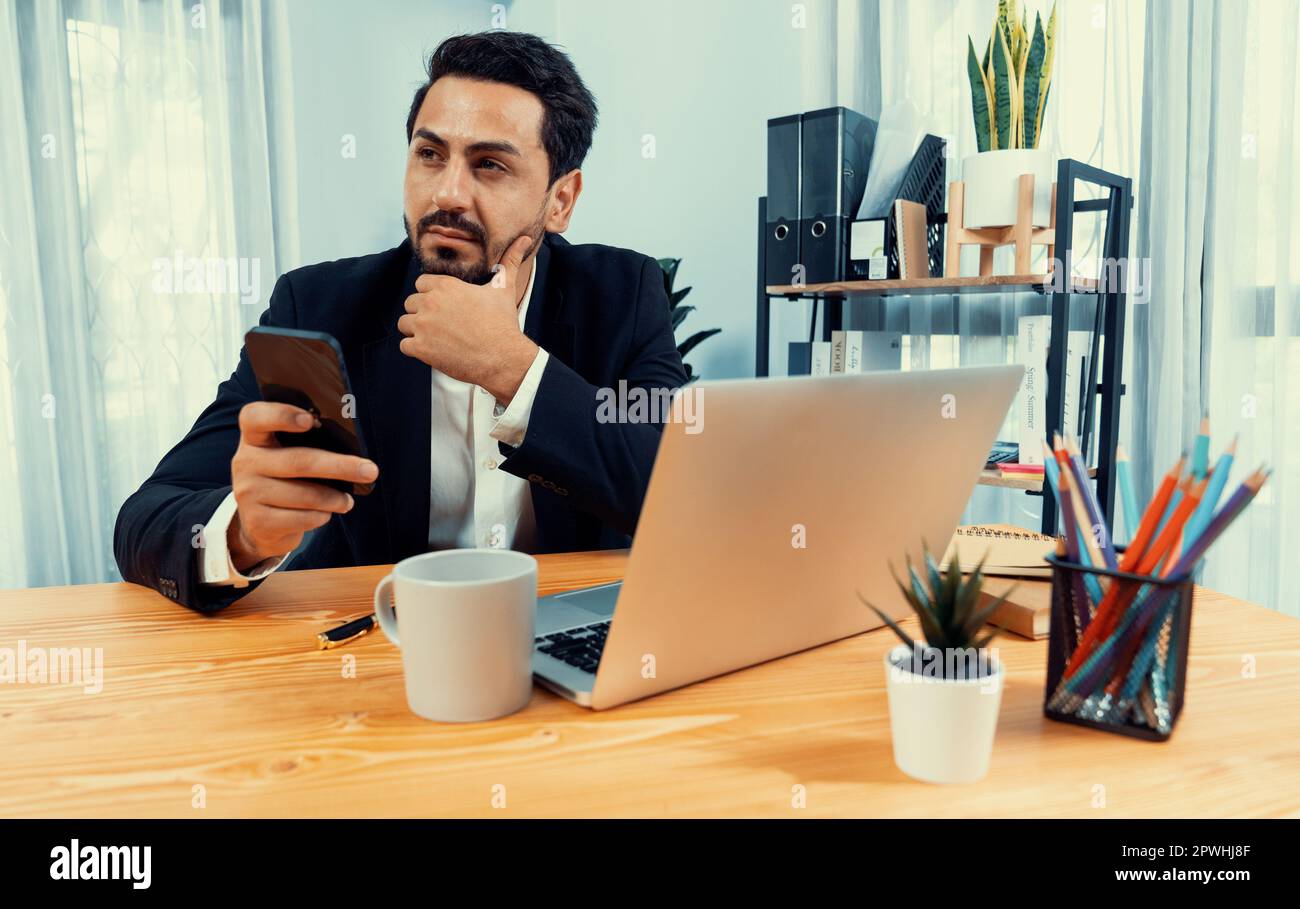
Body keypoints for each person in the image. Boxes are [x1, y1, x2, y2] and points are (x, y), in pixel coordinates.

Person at [113, 31, 687, 613]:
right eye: (430, 154)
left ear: (561, 200)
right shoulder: (319, 306)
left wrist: (510, 368)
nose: (447, 193)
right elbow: (147, 518)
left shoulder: (623, 294)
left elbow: (678, 489)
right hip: (381, 648)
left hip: (572, 628)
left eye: (489, 165)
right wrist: (243, 533)